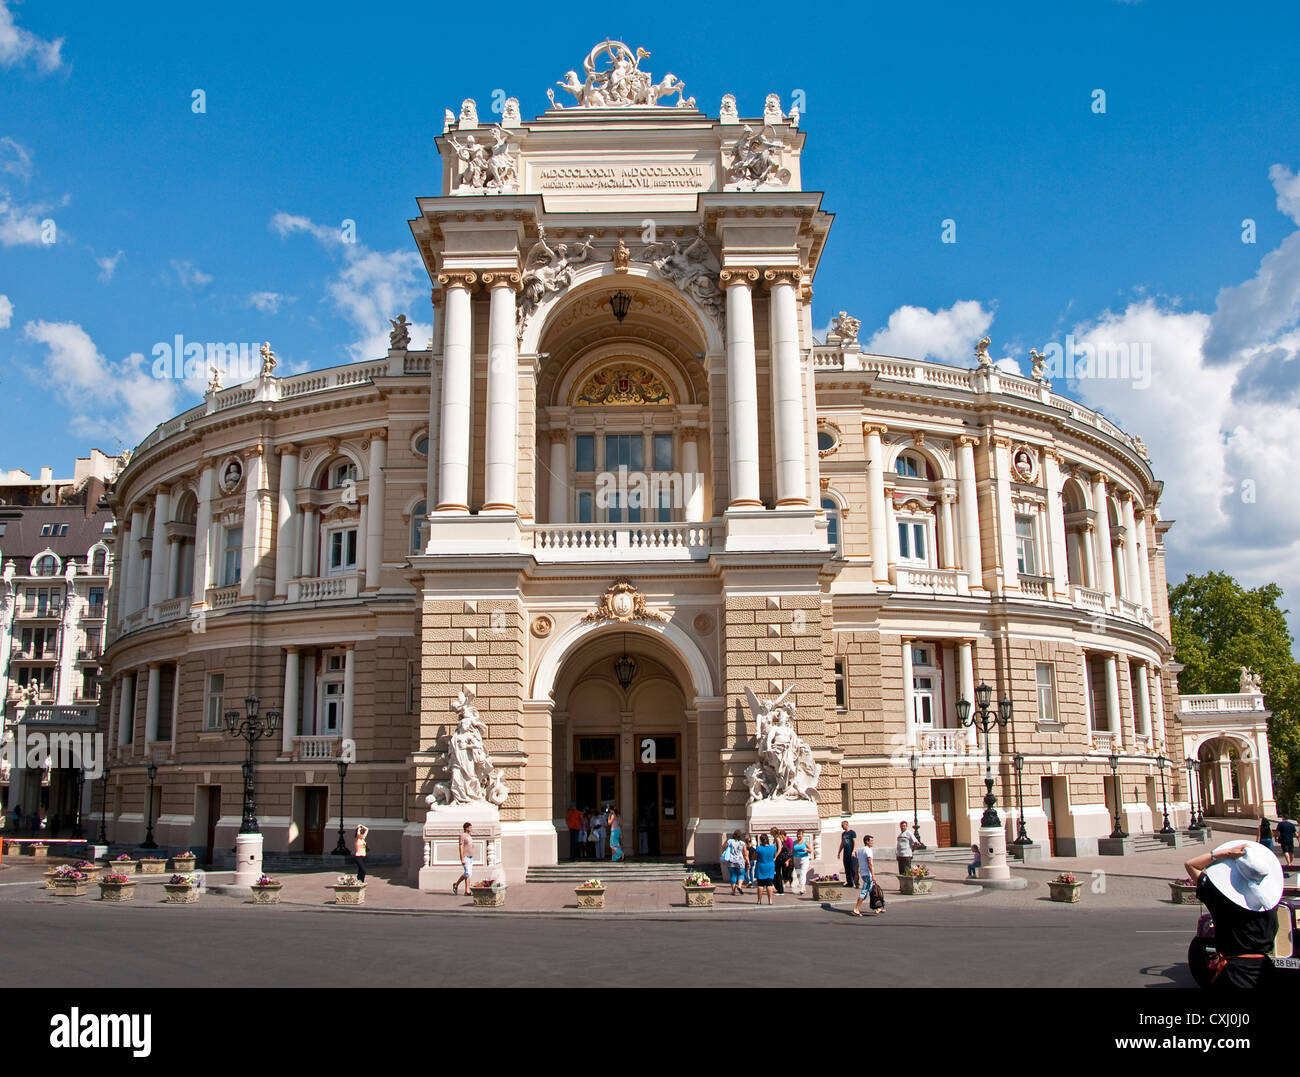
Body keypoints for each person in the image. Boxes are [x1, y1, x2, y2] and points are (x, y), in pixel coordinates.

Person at [1184, 840, 1282, 988]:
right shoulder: (1270, 904)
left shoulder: (1222, 900)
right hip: (1266, 972)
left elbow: (1191, 865)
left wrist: (1226, 853)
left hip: (1235, 974)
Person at [852, 835, 883, 916]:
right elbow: (869, 862)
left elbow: (857, 863)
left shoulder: (860, 850)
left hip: (863, 873)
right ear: (867, 841)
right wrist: (873, 875)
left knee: (872, 891)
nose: (872, 842)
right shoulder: (868, 850)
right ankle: (856, 909)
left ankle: (877, 908)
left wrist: (856, 873)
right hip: (868, 874)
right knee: (865, 891)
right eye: (871, 841)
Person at [752, 833, 777, 905]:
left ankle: (759, 900)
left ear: (761, 840)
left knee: (760, 884)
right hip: (770, 866)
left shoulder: (759, 848)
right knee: (769, 884)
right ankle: (770, 901)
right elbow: (774, 856)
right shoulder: (772, 848)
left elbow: (754, 857)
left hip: (761, 866)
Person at [451, 822, 474, 895]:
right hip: (465, 857)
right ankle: (456, 884)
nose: (471, 829)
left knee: (469, 874)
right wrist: (462, 859)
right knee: (467, 873)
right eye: (470, 827)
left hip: (470, 857)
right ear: (466, 828)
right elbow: (461, 847)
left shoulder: (469, 836)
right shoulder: (462, 836)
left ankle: (467, 891)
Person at [723, 829, 747, 895]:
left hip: (731, 860)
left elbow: (723, 847)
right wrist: (746, 860)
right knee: (741, 874)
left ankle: (733, 891)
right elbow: (745, 853)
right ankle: (739, 886)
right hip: (740, 861)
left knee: (733, 875)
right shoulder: (742, 843)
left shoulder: (730, 841)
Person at [792, 830, 812, 894]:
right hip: (796, 858)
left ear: (802, 835)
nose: (798, 836)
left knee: (803, 872)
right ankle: (802, 886)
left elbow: (810, 850)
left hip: (804, 858)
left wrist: (806, 849)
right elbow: (792, 851)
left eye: (800, 834)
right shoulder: (794, 842)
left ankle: (802, 888)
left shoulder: (805, 842)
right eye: (797, 834)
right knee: (798, 873)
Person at [840, 820, 859, 888]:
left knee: (853, 868)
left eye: (843, 825)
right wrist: (839, 852)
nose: (842, 827)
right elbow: (842, 843)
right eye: (841, 826)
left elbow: (854, 842)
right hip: (846, 852)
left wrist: (853, 851)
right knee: (847, 867)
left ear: (846, 825)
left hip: (851, 853)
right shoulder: (843, 834)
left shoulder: (852, 833)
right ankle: (849, 882)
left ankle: (856, 882)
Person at [771, 828, 789, 895]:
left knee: (778, 874)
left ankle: (780, 890)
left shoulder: (778, 839)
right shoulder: (776, 839)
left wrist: (775, 856)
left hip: (779, 858)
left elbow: (779, 849)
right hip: (778, 858)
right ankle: (779, 888)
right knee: (777, 873)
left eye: (771, 832)